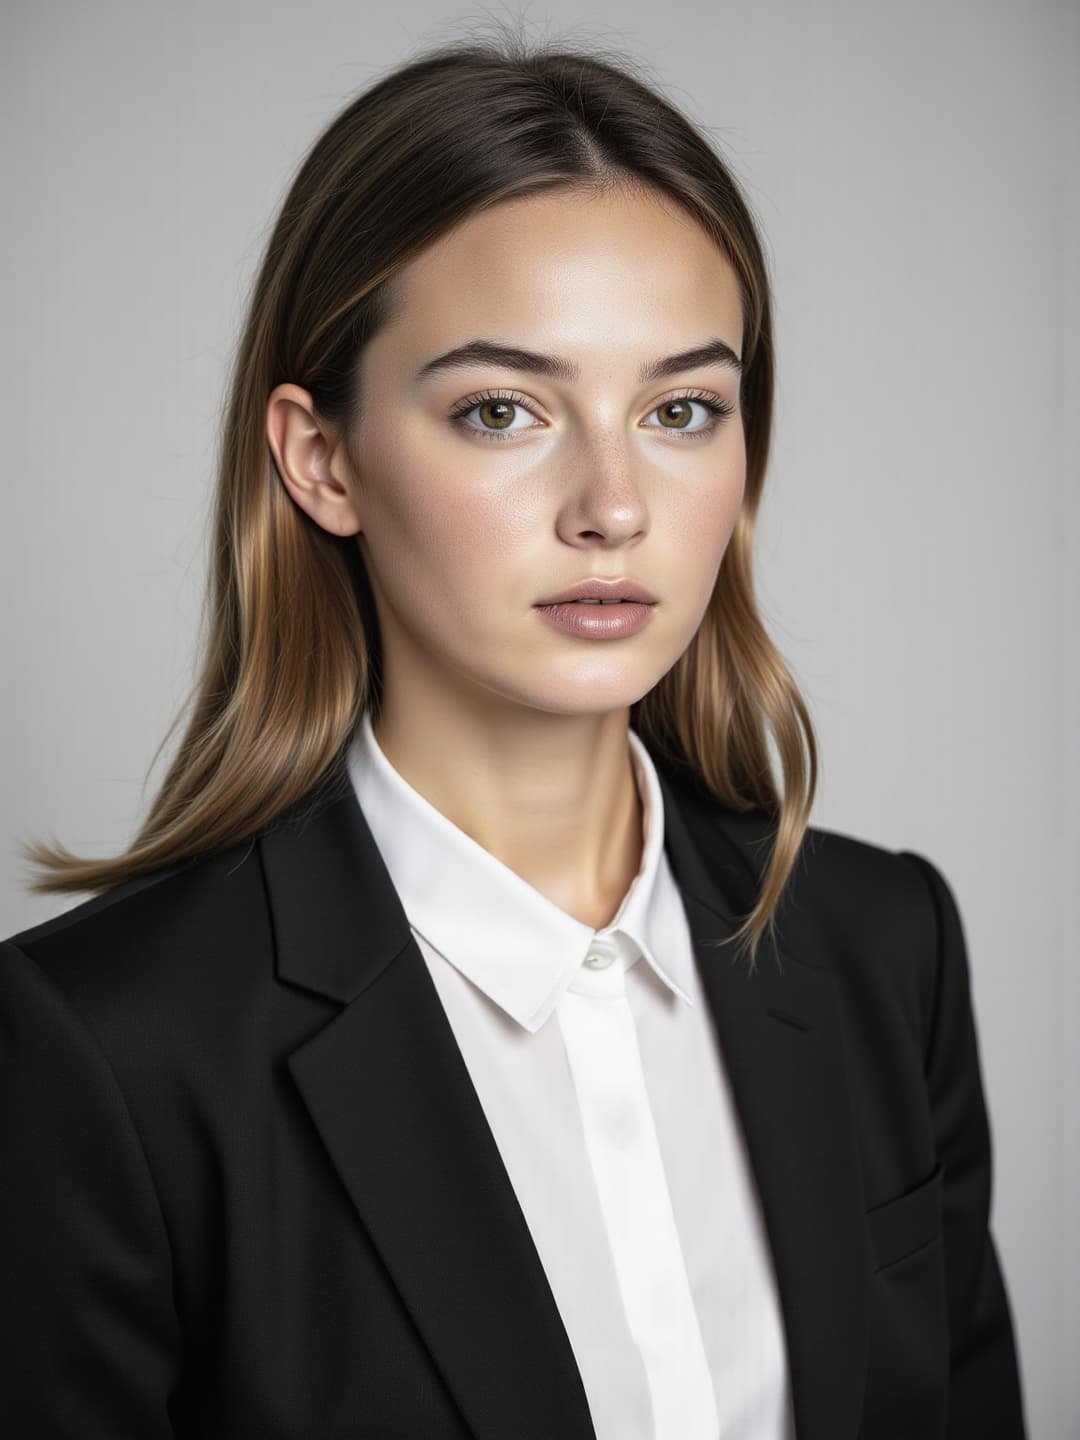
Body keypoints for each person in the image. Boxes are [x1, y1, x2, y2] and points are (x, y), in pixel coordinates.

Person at [0, 33, 1027, 1440]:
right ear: (323, 459)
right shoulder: (105, 1053)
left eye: (681, 410)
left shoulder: (883, 945)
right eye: (503, 409)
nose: (614, 504)